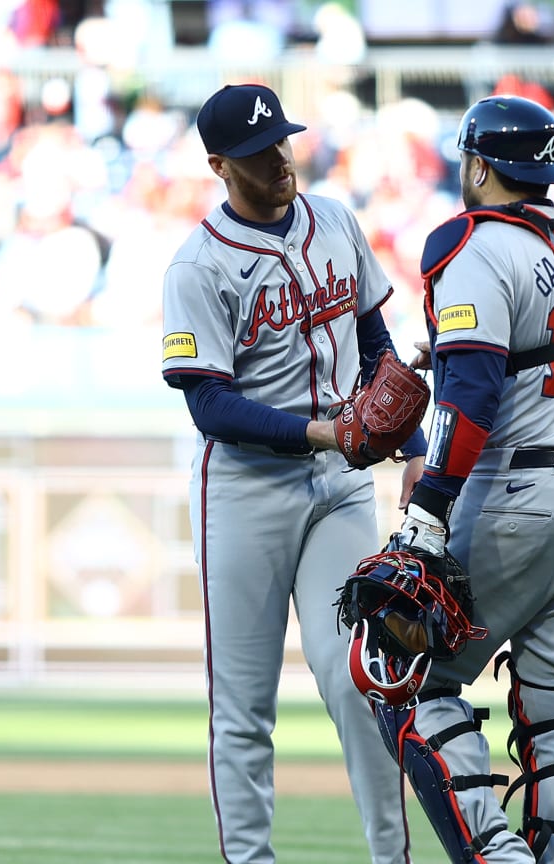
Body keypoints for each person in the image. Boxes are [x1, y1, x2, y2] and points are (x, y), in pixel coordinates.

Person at [159, 83, 426, 864]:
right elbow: (208, 403)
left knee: (360, 678)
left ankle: (394, 857)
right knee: (243, 707)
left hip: (339, 484)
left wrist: (411, 449)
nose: (278, 158)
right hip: (244, 494)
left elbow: (375, 341)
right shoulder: (198, 264)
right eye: (256, 151)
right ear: (219, 165)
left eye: (281, 139)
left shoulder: (336, 221)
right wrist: (321, 431)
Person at [362, 95, 554, 863]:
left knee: (401, 670)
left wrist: (430, 510)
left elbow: (473, 394)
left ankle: (499, 859)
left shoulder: (471, 244)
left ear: (480, 164)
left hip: (514, 494)